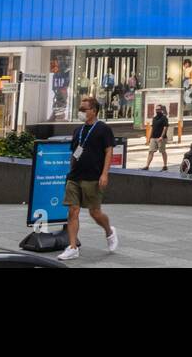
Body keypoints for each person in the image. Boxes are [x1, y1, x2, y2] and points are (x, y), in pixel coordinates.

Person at [57, 96, 118, 262]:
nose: (81, 112)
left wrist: (105, 174)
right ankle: (72, 247)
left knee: (95, 213)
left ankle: (109, 231)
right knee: (72, 211)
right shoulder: (78, 130)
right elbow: (75, 152)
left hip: (93, 177)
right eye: (80, 109)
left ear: (94, 111)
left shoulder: (103, 129)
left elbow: (109, 152)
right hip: (75, 176)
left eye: (84, 109)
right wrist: (70, 172)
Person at [144, 103, 170, 171]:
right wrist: (149, 138)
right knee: (150, 151)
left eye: (158, 109)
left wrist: (162, 136)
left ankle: (165, 165)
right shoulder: (154, 118)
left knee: (162, 151)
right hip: (153, 137)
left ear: (161, 110)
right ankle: (147, 166)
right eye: (156, 109)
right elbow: (152, 128)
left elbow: (165, 128)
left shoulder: (164, 118)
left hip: (161, 138)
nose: (157, 111)